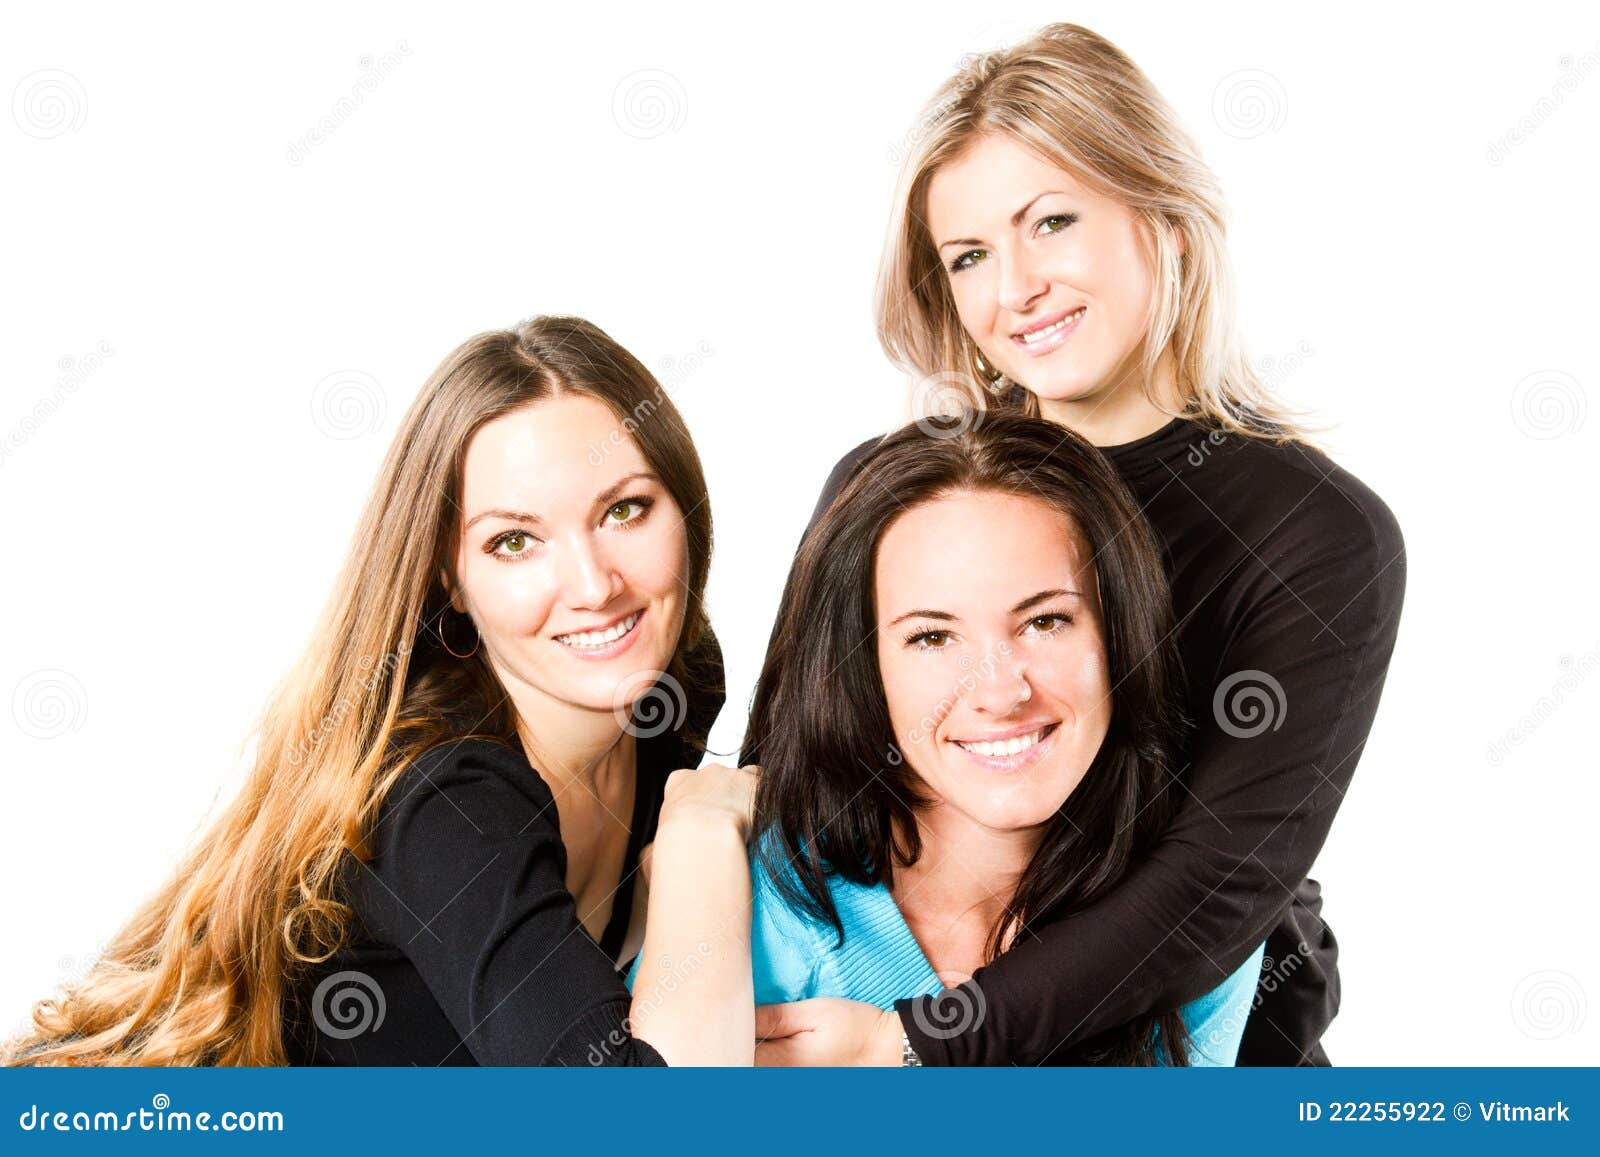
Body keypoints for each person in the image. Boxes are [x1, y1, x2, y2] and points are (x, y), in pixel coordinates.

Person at [751, 23, 1405, 1066]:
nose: (1014, 289)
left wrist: (926, 1044)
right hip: (885, 1002)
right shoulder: (886, 492)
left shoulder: (1315, 531)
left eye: (1050, 221)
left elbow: (1216, 882)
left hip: (1187, 1037)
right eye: (969, 255)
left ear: (1165, 219)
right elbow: (793, 789)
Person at [3, 316, 756, 1067]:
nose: (595, 586)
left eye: (624, 509)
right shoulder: (448, 797)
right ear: (450, 578)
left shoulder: (676, 684)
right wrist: (697, 846)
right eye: (514, 542)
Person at [729, 414, 1263, 1066]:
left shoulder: (1192, 917)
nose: (1001, 691)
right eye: (931, 636)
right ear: (865, 669)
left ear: (1116, 635)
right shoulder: (753, 912)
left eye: (1045, 620)